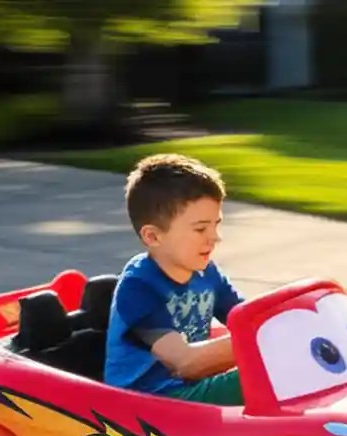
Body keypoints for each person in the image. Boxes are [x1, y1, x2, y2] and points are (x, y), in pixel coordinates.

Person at [104, 153, 245, 406]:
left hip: (188, 391)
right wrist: (264, 341)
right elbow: (185, 363)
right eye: (201, 229)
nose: (214, 237)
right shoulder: (138, 287)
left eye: (216, 225)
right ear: (153, 237)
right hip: (148, 401)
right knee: (265, 377)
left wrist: (281, 322)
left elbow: (245, 318)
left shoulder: (206, 272)